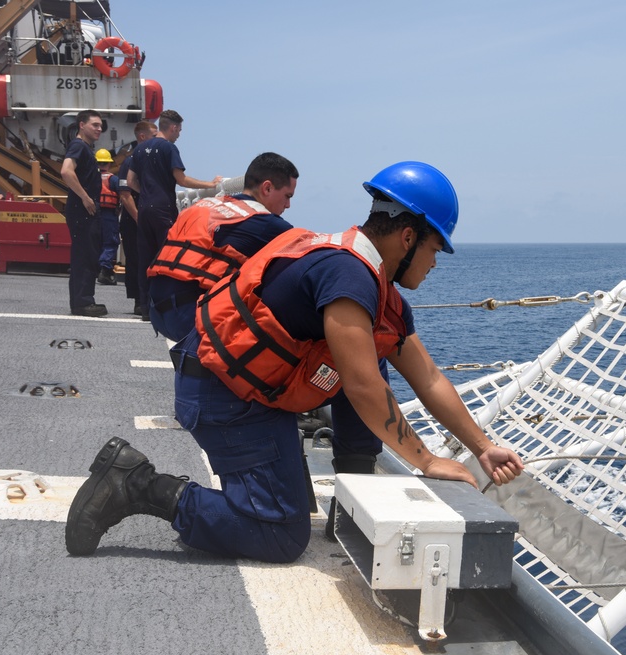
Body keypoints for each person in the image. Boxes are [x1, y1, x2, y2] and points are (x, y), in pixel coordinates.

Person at [65, 161, 525, 563]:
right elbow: (363, 387)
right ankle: (138, 484)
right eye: (434, 249)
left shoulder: (377, 290)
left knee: (290, 507)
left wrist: (483, 447)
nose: (435, 262)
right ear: (407, 237)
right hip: (221, 394)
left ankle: (243, 495)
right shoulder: (348, 275)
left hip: (251, 394)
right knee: (281, 534)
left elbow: (427, 377)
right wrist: (427, 461)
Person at [145, 152, 298, 341]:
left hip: (155, 309)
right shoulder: (267, 223)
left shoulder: (205, 204)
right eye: (287, 196)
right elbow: (311, 254)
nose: (288, 205)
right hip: (187, 319)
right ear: (267, 188)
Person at [127, 110, 222, 321]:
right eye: (179, 130)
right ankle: (162, 308)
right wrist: (211, 184)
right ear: (173, 127)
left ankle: (145, 308)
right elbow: (181, 179)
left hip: (144, 208)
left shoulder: (140, 149)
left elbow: (131, 180)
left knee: (145, 259)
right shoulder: (169, 148)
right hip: (163, 209)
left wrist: (148, 194)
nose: (179, 134)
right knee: (165, 258)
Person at [60, 110, 107, 317]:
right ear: (81, 125)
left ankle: (84, 299)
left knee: (88, 254)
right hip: (83, 209)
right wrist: (85, 197)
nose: (99, 129)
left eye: (100, 125)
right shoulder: (78, 146)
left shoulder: (86, 148)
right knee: (83, 255)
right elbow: (66, 171)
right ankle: (82, 302)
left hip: (85, 209)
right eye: (94, 125)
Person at [117, 121, 157, 313]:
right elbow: (125, 195)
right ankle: (139, 302)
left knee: (146, 258)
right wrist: (140, 220)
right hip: (133, 220)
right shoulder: (130, 161)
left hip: (144, 217)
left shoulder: (147, 161)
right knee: (135, 259)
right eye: (154, 135)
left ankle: (146, 299)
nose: (157, 140)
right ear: (143, 136)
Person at [95, 149, 120, 286]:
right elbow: (123, 194)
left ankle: (96, 269)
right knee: (110, 242)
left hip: (93, 214)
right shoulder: (113, 179)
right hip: (109, 214)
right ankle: (105, 271)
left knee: (96, 242)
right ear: (109, 164)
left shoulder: (91, 178)